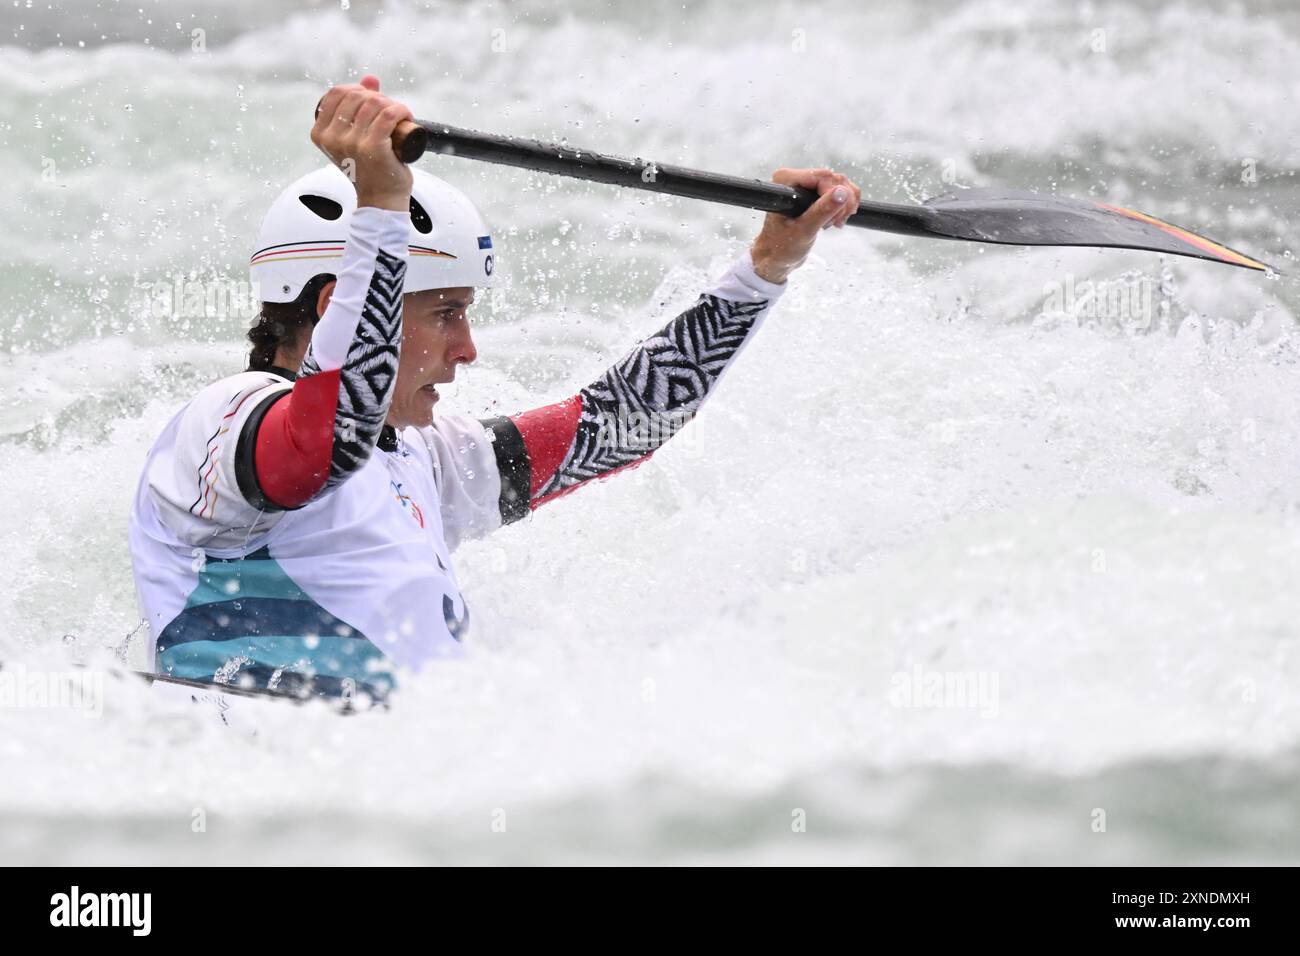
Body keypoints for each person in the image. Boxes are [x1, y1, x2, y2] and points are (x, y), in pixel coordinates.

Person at [127, 75, 863, 701]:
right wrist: (381, 208)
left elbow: (620, 425)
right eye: (445, 314)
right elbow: (327, 437)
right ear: (335, 308)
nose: (467, 349)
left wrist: (767, 267)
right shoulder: (221, 426)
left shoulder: (427, 460)